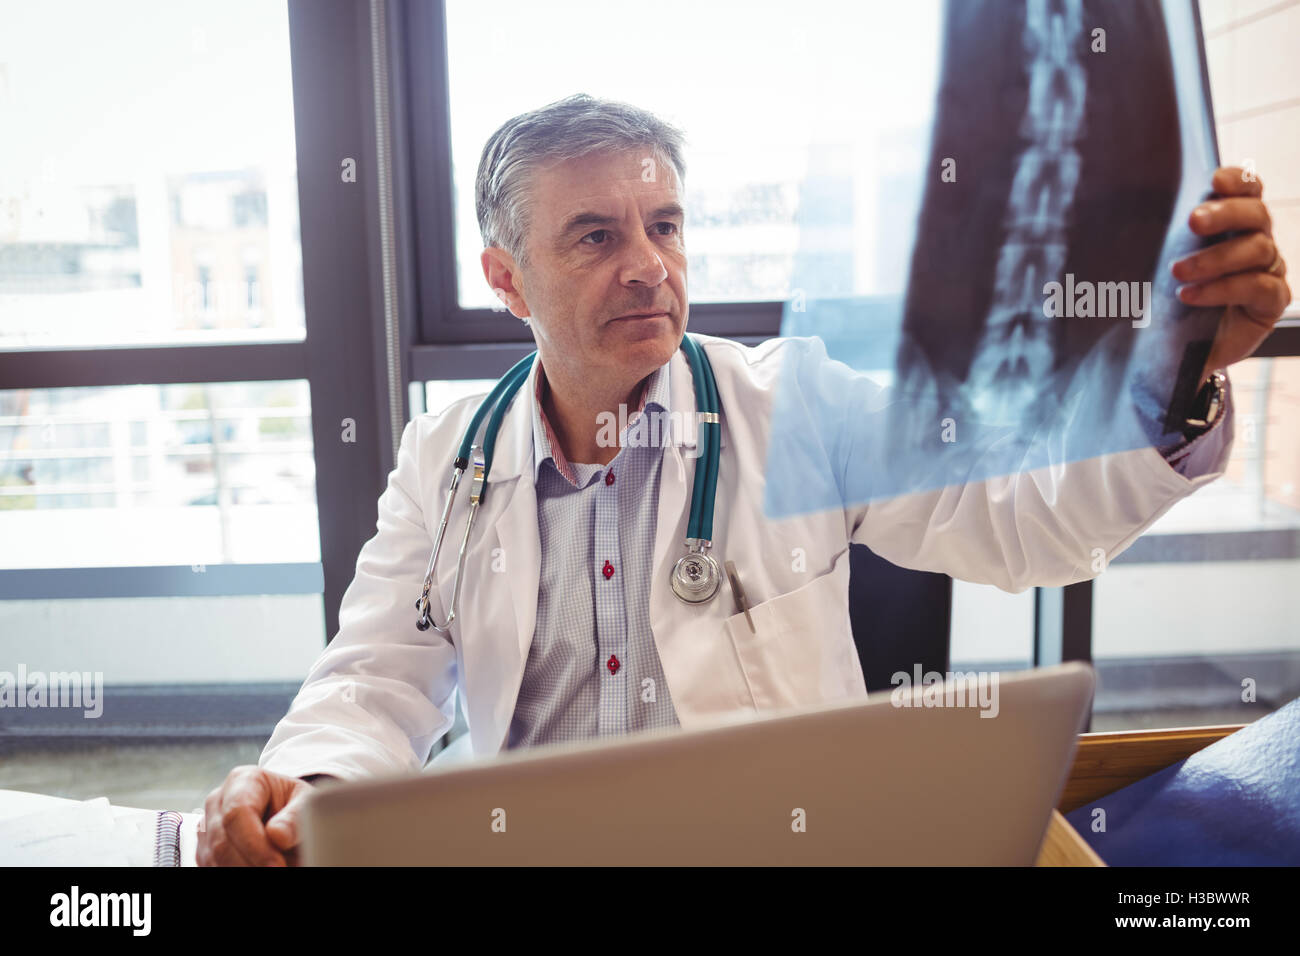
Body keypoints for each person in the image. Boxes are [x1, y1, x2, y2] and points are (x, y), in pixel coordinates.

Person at [198, 95, 1290, 866]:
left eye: (663, 224)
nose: (650, 265)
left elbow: (1022, 520)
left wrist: (1177, 379)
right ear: (504, 276)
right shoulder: (445, 459)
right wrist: (308, 788)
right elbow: (376, 674)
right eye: (593, 236)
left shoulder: (795, 407)